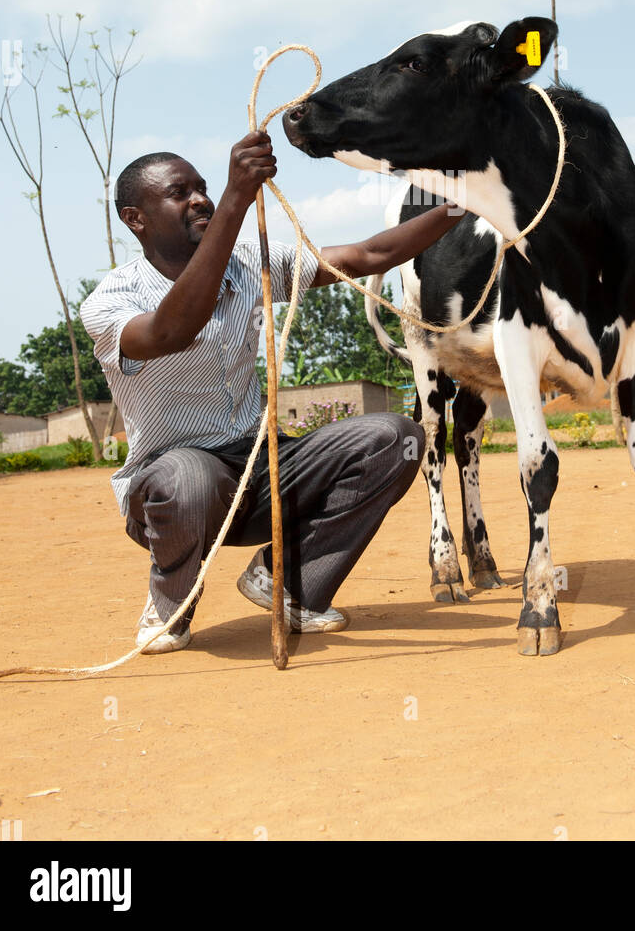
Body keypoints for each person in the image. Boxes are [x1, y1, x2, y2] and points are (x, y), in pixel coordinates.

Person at [80, 130, 461, 653]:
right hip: (176, 492)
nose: (201, 199)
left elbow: (369, 254)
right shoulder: (111, 300)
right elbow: (173, 330)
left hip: (263, 474)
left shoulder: (250, 262)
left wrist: (461, 208)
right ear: (135, 218)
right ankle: (171, 604)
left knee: (397, 437)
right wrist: (238, 198)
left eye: (205, 187)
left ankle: (289, 586)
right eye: (179, 192)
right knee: (188, 474)